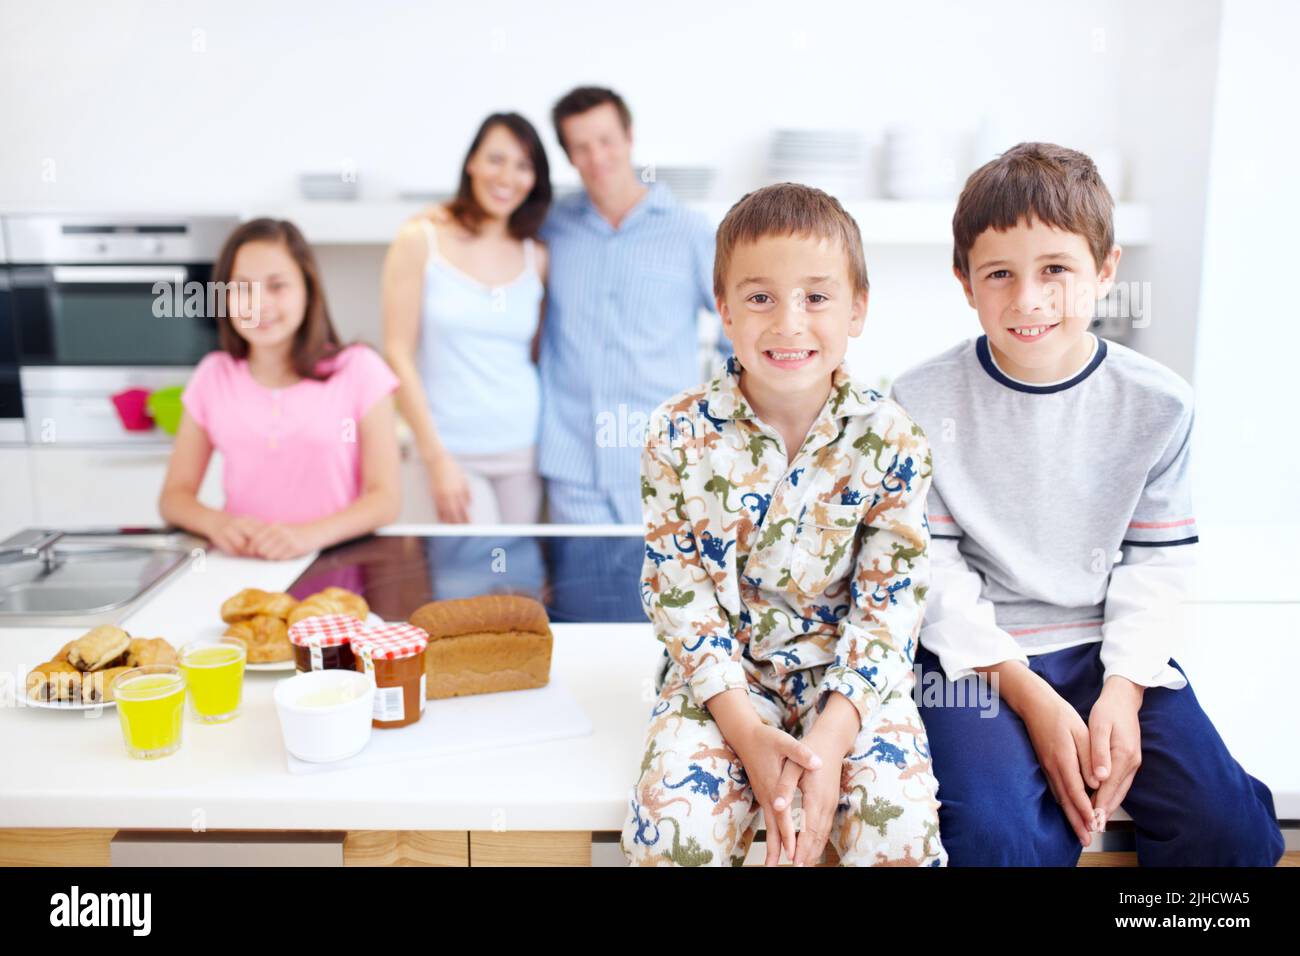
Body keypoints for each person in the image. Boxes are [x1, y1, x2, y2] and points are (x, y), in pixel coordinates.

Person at [891, 142, 1285, 866]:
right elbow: (933, 574)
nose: (1029, 299)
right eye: (999, 274)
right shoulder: (918, 401)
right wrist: (1029, 697)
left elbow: (1155, 564)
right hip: (976, 661)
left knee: (1228, 829)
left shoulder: (1158, 404)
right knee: (994, 836)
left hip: (1112, 653)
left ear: (1105, 272)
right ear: (964, 280)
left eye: (1056, 271)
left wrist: (1125, 691)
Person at [621, 183, 946, 867]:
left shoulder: (894, 440)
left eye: (817, 297)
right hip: (721, 686)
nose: (789, 323)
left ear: (858, 308)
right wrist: (741, 730)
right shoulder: (675, 433)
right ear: (724, 310)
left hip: (851, 689)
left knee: (902, 831)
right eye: (761, 297)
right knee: (675, 836)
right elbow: (679, 595)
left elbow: (891, 607)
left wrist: (829, 740)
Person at [160, 218, 400, 559]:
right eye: (243, 287)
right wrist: (217, 524)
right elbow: (174, 497)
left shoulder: (359, 369)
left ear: (308, 290)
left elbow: (385, 499)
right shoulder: (213, 376)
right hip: (241, 567)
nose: (259, 304)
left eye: (277, 286)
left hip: (333, 565)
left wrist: (307, 537)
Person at [539, 85, 721, 525]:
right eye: (581, 147)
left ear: (629, 137)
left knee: (667, 593)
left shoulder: (689, 232)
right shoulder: (552, 228)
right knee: (579, 595)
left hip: (664, 464)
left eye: (605, 141)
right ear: (568, 156)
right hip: (572, 467)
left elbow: (737, 332)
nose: (596, 157)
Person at [383, 113, 551, 524]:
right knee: (470, 580)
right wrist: (435, 457)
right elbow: (397, 352)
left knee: (518, 583)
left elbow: (532, 353)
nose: (507, 176)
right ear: (471, 162)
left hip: (523, 449)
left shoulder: (536, 255)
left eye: (523, 165)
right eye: (496, 159)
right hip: (451, 450)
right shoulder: (421, 239)